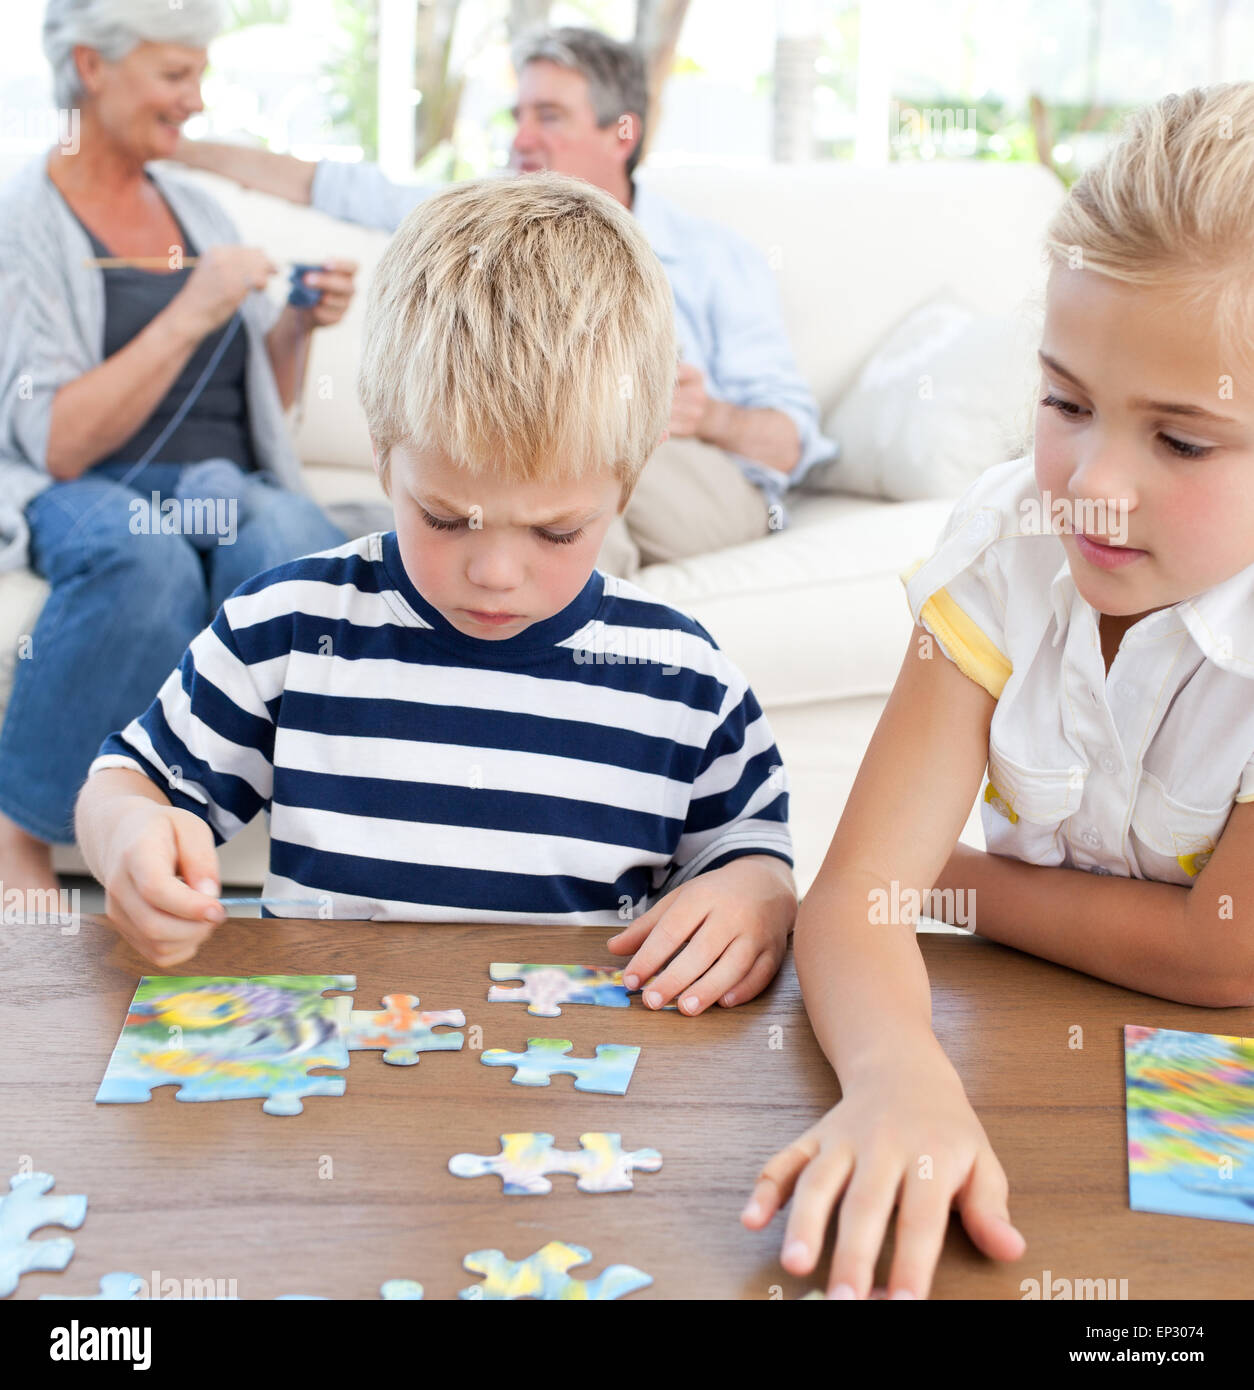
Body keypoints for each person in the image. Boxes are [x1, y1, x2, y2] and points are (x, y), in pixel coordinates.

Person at [741, 82, 1254, 1298]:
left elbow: (1223, 956)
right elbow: (860, 896)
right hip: (1040, 1054)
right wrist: (898, 1076)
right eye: (1066, 402)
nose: (1093, 481)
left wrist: (959, 884)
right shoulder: (1009, 549)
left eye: (1180, 440)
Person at [73, 171, 798, 1019]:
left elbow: (755, 847)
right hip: (323, 1095)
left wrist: (759, 897)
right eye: (447, 518)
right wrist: (128, 840)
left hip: (575, 1120)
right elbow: (129, 781)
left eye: (556, 531)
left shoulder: (685, 681)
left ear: (626, 488)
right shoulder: (288, 632)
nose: (493, 573)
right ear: (385, 458)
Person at [173, 24, 838, 580]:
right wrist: (176, 147)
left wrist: (709, 414)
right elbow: (345, 189)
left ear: (622, 134)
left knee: (567, 494)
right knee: (484, 507)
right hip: (553, 457)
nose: (522, 139)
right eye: (517, 116)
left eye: (549, 117)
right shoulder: (486, 218)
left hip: (692, 472)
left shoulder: (717, 259)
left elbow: (790, 445)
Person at [0, 0, 356, 896]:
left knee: (288, 543)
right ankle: (17, 835)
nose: (194, 100)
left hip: (222, 478)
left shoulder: (196, 208)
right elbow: (59, 439)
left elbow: (259, 409)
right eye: (174, 73)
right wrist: (196, 304)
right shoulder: (24, 226)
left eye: (199, 73)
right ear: (90, 66)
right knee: (144, 559)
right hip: (88, 483)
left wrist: (296, 328)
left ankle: (318, 839)